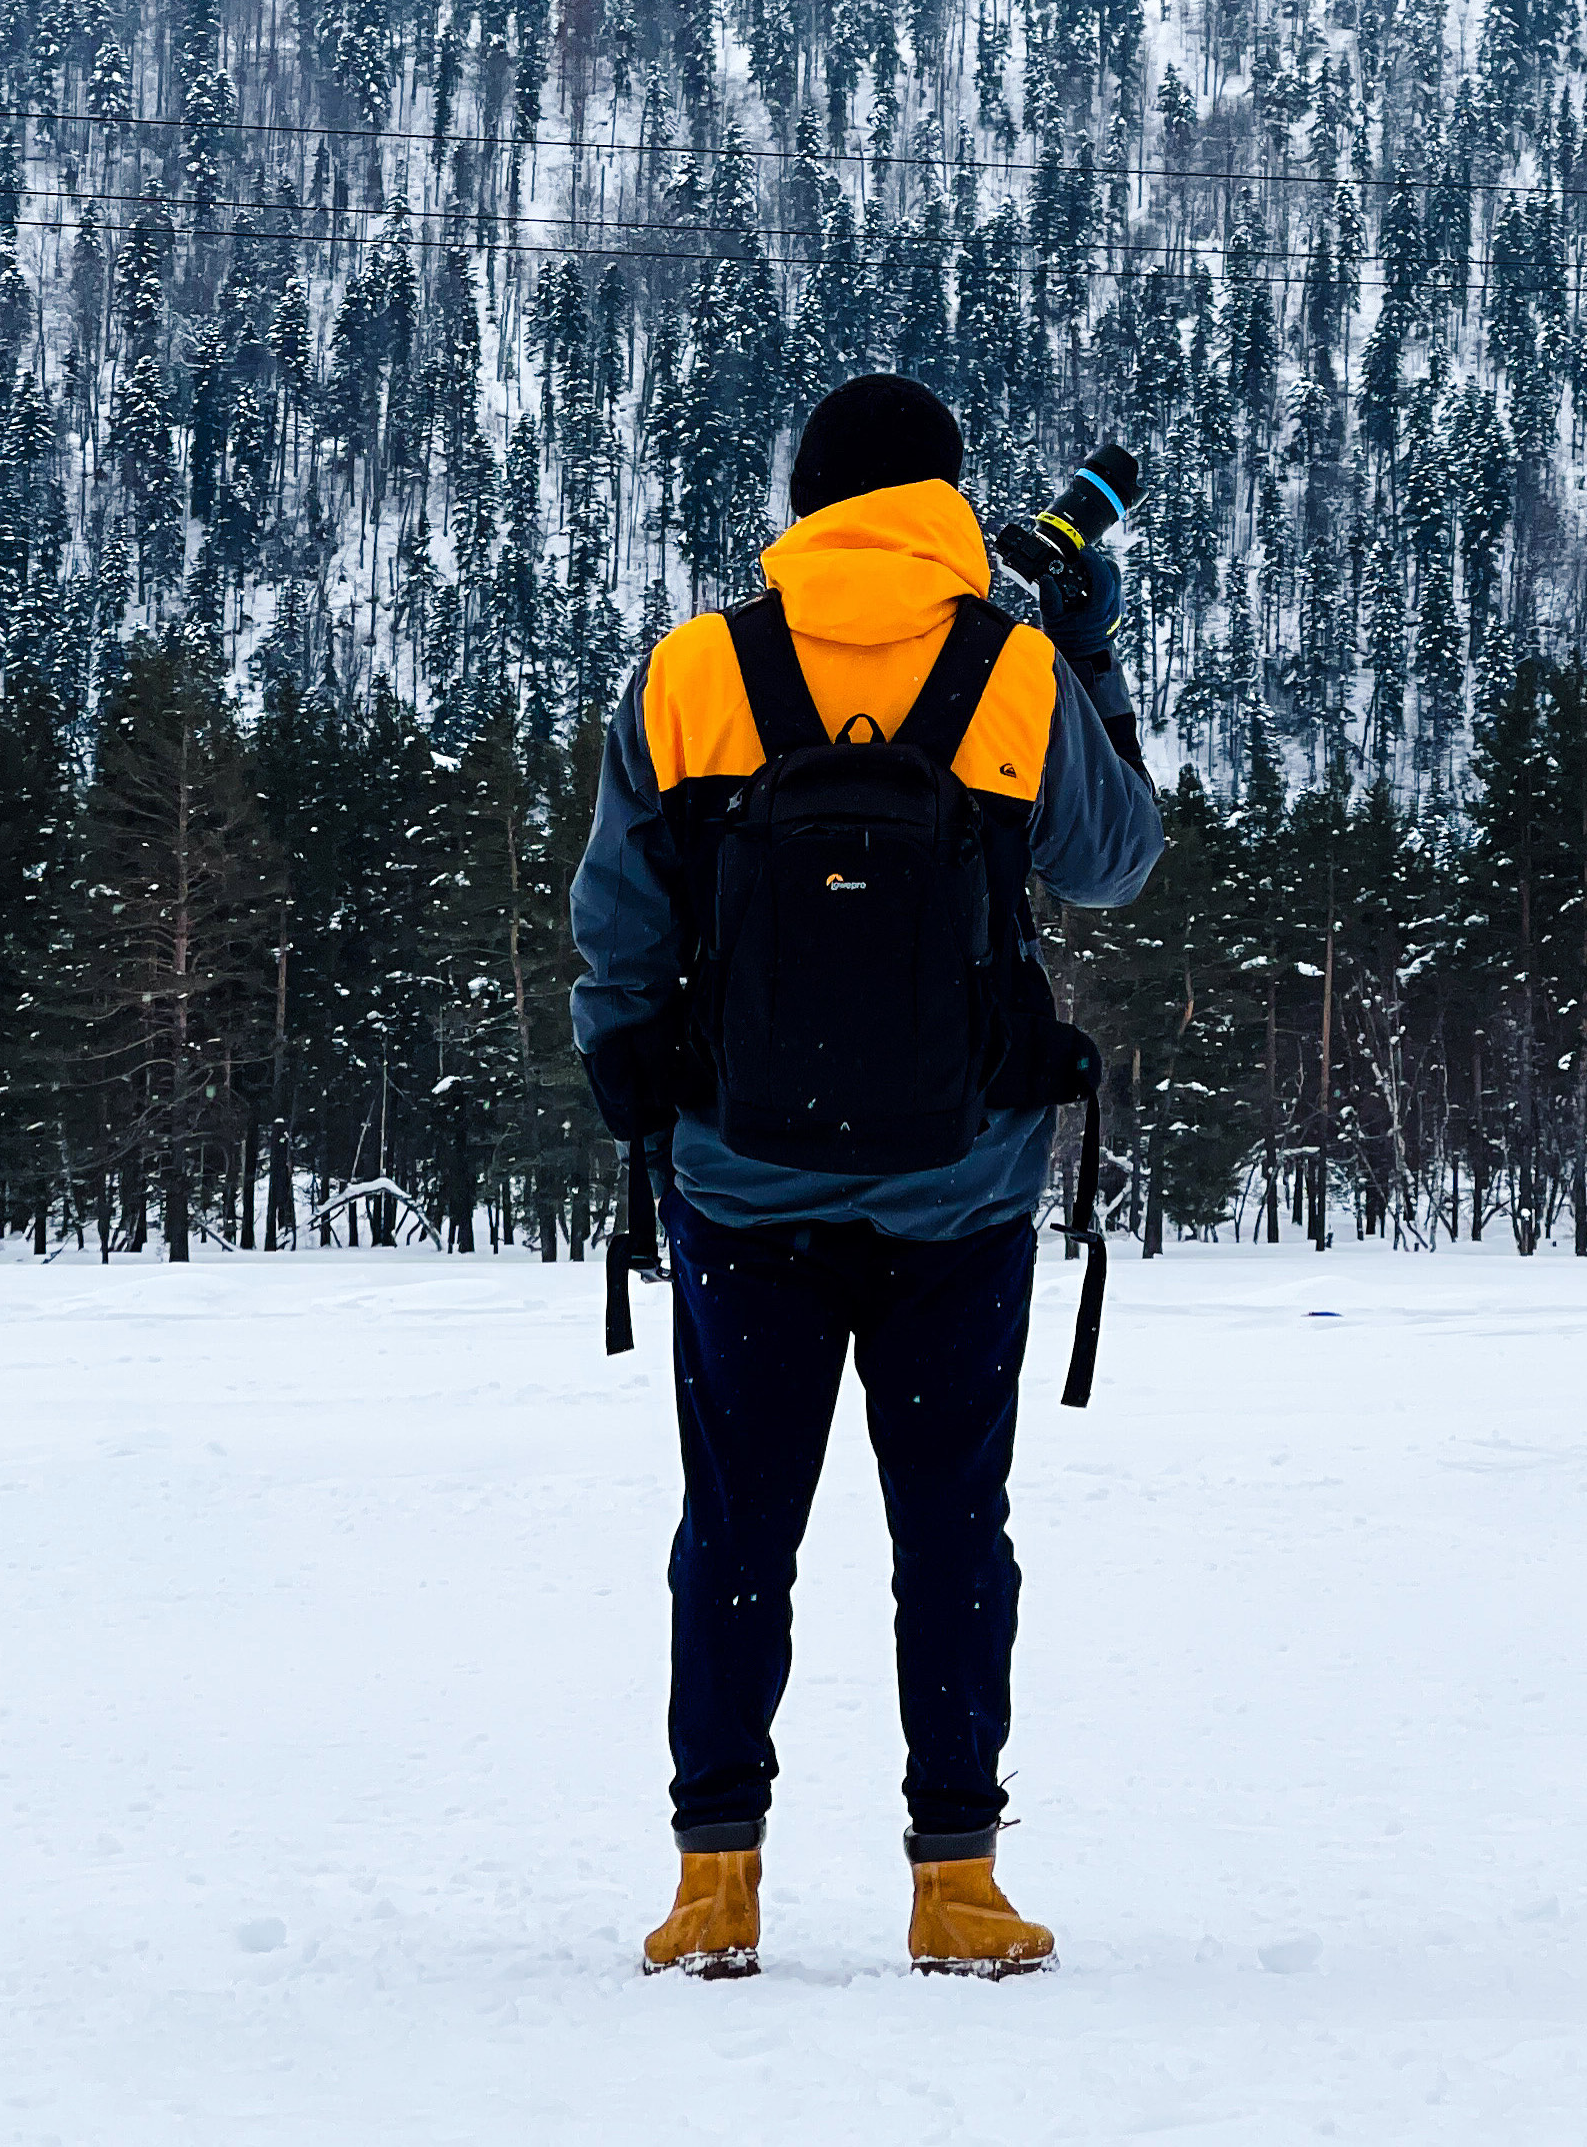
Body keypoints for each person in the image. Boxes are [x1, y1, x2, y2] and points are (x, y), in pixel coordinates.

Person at [570, 371, 1159, 1982]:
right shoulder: (1013, 668)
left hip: (742, 1186)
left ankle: (713, 1888)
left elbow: (619, 915)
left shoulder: (697, 670)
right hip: (963, 1192)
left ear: (810, 503)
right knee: (954, 1532)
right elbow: (1115, 859)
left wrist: (633, 1069)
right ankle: (957, 1888)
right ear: (950, 508)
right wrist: (1089, 654)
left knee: (736, 1531)